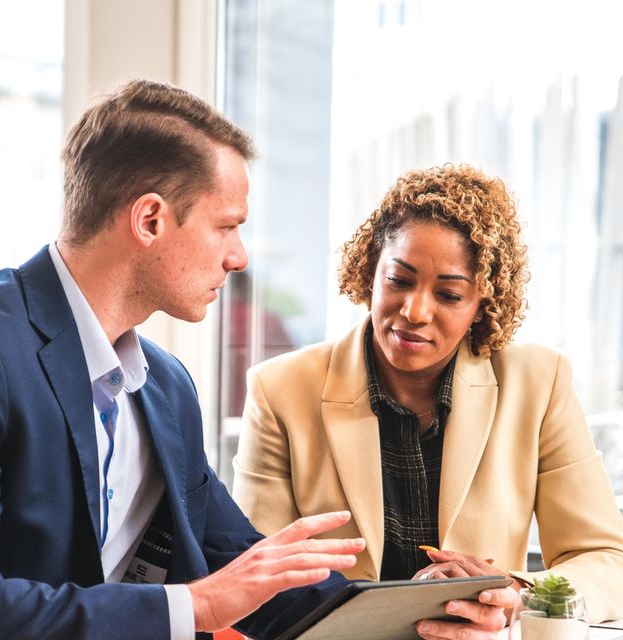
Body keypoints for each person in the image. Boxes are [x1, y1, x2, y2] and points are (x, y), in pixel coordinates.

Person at [0, 83, 515, 639]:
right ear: (150, 220)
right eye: (227, 226)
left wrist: (444, 611)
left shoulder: (164, 391)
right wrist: (195, 607)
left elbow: (262, 587)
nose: (238, 257)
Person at [232, 163, 623, 624]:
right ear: (371, 269)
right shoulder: (279, 390)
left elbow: (607, 561)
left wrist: (517, 596)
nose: (414, 311)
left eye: (450, 295)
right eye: (399, 280)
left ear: (482, 304)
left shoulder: (540, 382)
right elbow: (257, 577)